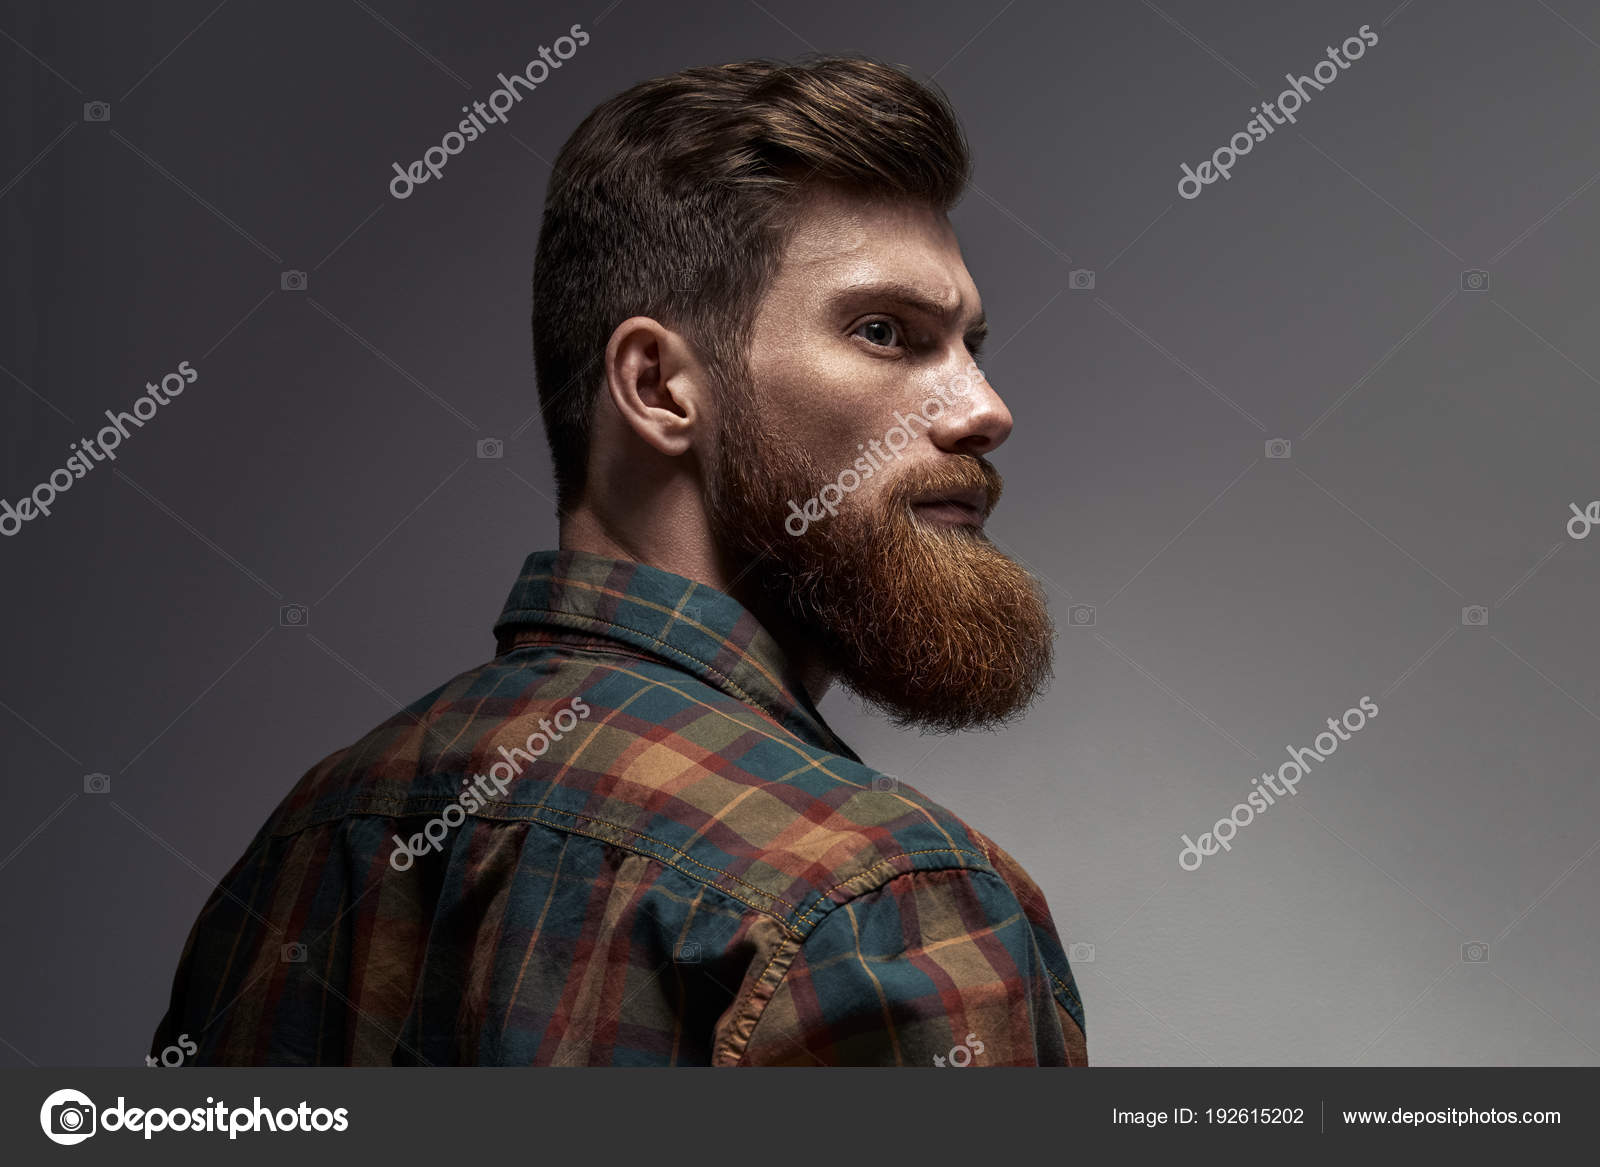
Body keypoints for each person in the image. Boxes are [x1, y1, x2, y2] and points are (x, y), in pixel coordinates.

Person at [151, 55, 1086, 1066]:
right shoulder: (877, 898)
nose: (985, 411)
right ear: (658, 386)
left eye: (970, 345)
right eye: (886, 333)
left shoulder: (311, 842)